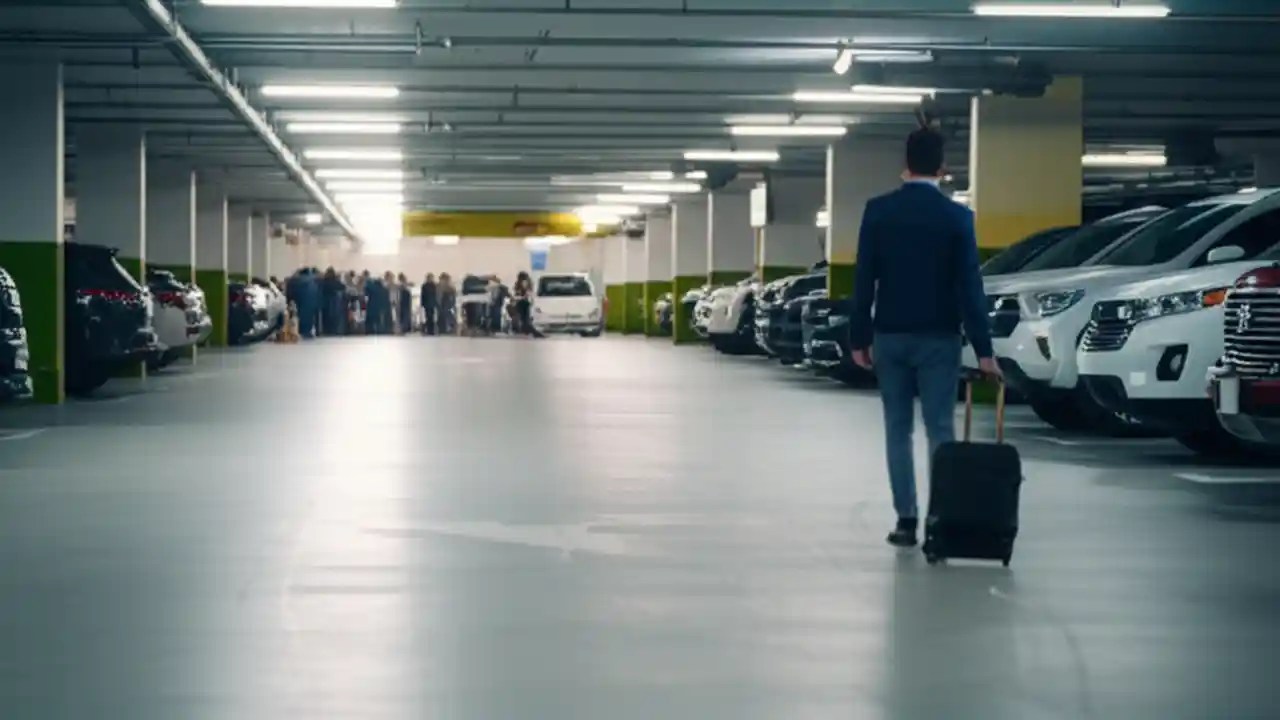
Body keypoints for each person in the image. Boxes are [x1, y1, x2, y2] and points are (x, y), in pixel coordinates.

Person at [848, 127, 1000, 549]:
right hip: (939, 338)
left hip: (890, 336)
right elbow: (970, 288)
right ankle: (940, 518)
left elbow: (864, 279)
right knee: (940, 428)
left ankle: (906, 521)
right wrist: (984, 351)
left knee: (897, 429)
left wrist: (858, 336)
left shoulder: (878, 212)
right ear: (942, 168)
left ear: (906, 165)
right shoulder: (957, 218)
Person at [512, 271, 534, 335]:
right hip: (525, 301)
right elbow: (529, 292)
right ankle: (525, 328)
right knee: (525, 316)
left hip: (521, 301)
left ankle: (523, 328)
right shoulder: (528, 282)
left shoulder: (520, 283)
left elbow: (517, 291)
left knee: (521, 316)